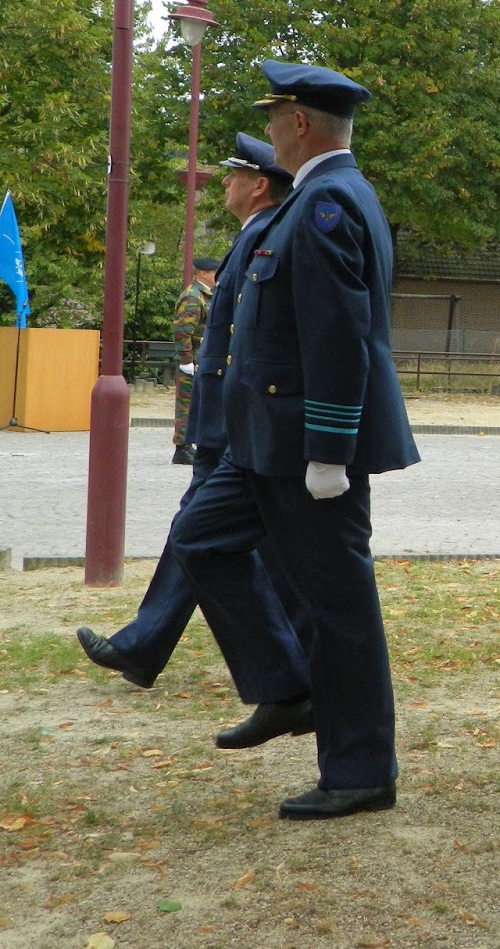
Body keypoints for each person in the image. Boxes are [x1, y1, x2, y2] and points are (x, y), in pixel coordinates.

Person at [173, 60, 420, 819]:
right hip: (263, 445)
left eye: (275, 115)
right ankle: (287, 688)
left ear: (302, 124)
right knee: (199, 541)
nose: (269, 127)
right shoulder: (319, 198)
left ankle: (359, 771)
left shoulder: (329, 204)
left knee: (339, 606)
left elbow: (339, 337)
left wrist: (329, 451)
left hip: (305, 449)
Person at [77, 134, 301, 690]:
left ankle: (292, 668)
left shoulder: (268, 239)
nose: (223, 182)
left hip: (240, 429)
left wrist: (225, 428)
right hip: (226, 427)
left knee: (211, 535)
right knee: (211, 536)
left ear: (260, 186)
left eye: (234, 174)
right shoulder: (249, 240)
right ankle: (146, 646)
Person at [170, 255, 220, 465]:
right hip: (192, 358)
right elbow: (183, 331)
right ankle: (182, 449)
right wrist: (186, 360)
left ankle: (192, 444)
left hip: (201, 357)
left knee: (196, 402)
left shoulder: (205, 295)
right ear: (203, 274)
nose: (217, 276)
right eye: (214, 273)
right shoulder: (193, 296)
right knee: (186, 403)